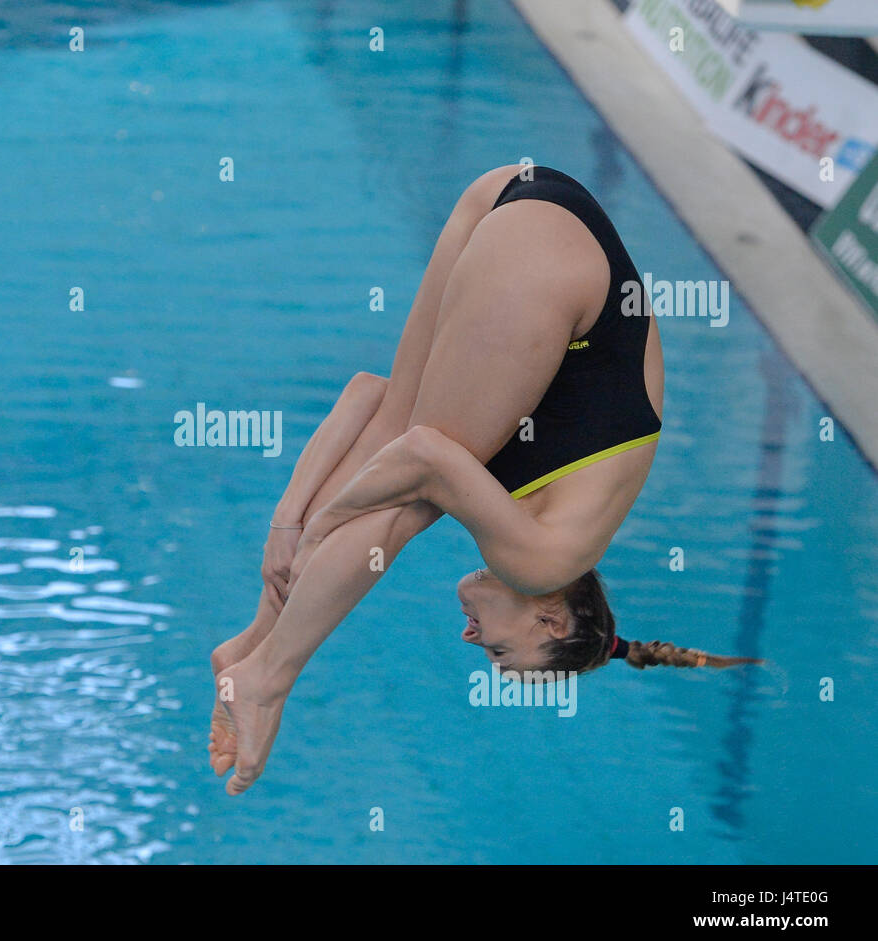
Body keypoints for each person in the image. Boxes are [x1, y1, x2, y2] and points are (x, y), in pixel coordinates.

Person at [209, 164, 760, 796]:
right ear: (550, 622)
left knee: (396, 466)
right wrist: (319, 530)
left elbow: (371, 402)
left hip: (520, 196)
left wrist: (287, 523)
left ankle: (254, 646)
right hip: (547, 265)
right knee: (403, 508)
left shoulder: (540, 505)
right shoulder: (543, 564)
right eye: (498, 651)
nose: (470, 636)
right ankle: (268, 679)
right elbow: (417, 459)